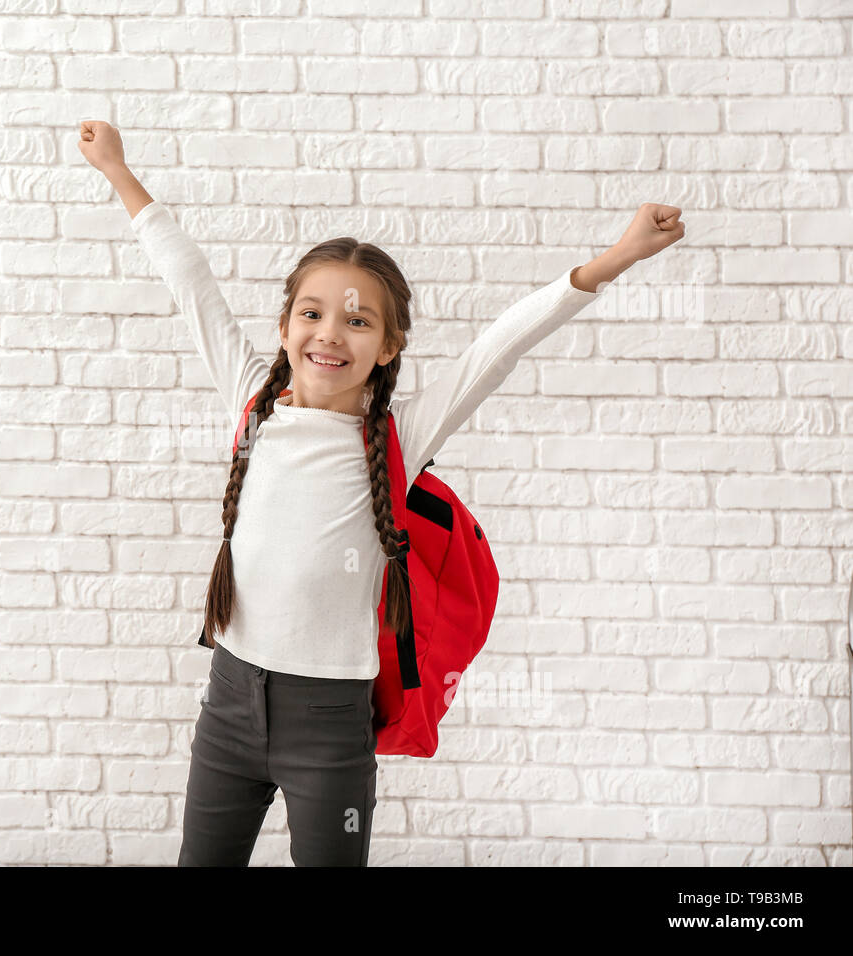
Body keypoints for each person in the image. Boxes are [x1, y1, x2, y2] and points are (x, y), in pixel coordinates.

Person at [77, 119, 685, 866]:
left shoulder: (399, 438)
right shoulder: (250, 404)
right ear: (284, 325)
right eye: (314, 312)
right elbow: (188, 278)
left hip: (329, 721)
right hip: (228, 705)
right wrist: (118, 170)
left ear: (388, 347)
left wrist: (617, 258)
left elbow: (498, 346)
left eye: (358, 320)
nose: (331, 332)